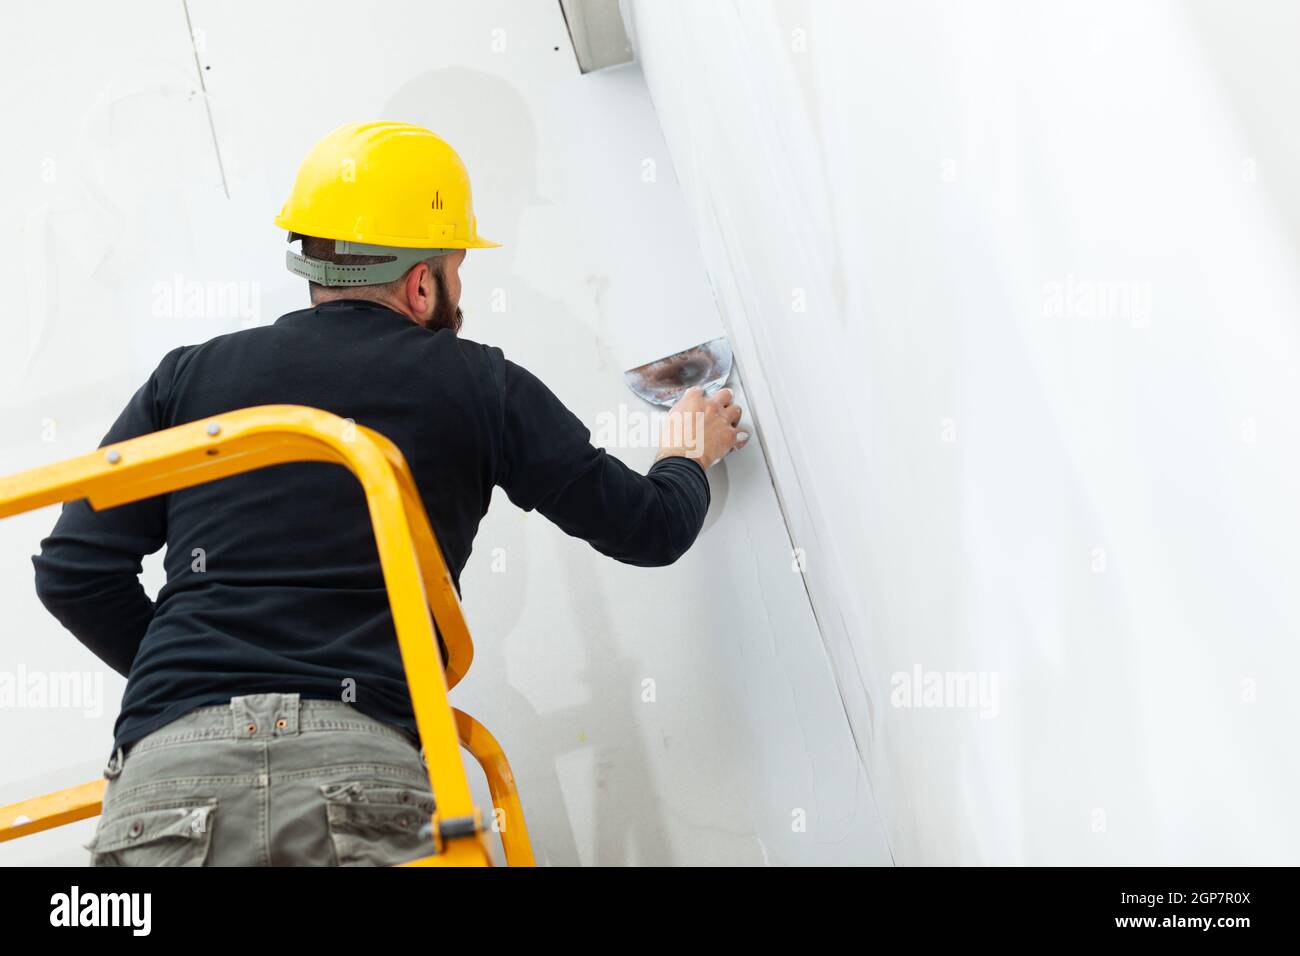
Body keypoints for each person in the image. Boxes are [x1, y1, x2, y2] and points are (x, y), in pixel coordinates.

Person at [31, 121, 747, 866]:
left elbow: (72, 572)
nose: (459, 291)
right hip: (357, 765)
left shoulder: (190, 377)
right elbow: (648, 528)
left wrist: (191, 685)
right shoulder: (477, 382)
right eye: (458, 269)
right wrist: (686, 456)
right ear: (422, 282)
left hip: (168, 782)